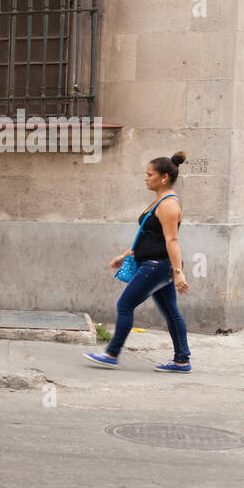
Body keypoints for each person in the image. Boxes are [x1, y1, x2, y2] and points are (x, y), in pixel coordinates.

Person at [85, 152, 192, 372]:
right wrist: (126, 255)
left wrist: (178, 271)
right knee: (171, 312)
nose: (145, 178)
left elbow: (172, 240)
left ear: (163, 177)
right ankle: (182, 360)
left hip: (157, 266)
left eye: (149, 174)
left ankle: (112, 353)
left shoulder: (169, 205)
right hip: (157, 264)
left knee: (124, 305)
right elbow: (150, 237)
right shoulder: (160, 201)